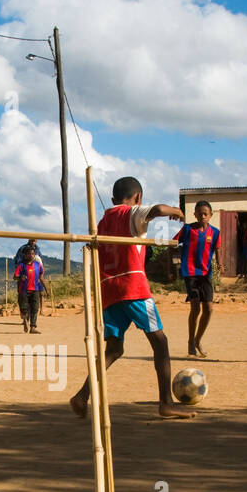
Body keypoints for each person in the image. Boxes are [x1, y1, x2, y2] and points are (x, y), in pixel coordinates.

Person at [69, 176, 196, 420]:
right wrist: (177, 211)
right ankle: (166, 403)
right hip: (133, 287)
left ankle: (82, 395)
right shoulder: (132, 213)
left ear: (113, 198)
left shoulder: (103, 221)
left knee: (114, 349)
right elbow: (158, 210)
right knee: (160, 342)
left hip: (109, 289)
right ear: (138, 197)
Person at [174, 200, 219, 357]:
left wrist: (220, 265)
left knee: (209, 308)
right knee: (195, 308)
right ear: (194, 214)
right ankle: (190, 342)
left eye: (205, 213)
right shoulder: (187, 229)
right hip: (190, 273)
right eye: (199, 213)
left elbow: (217, 249)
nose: (203, 216)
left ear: (211, 215)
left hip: (206, 274)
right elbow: (173, 242)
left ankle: (197, 340)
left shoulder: (215, 233)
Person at [14, 244, 50, 333]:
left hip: (35, 290)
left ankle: (33, 327)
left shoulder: (38, 265)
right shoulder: (21, 265)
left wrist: (46, 289)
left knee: (35, 308)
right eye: (29, 254)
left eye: (33, 254)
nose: (31, 255)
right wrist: (20, 277)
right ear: (25, 255)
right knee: (24, 309)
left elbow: (41, 278)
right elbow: (15, 276)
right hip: (23, 290)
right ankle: (25, 320)